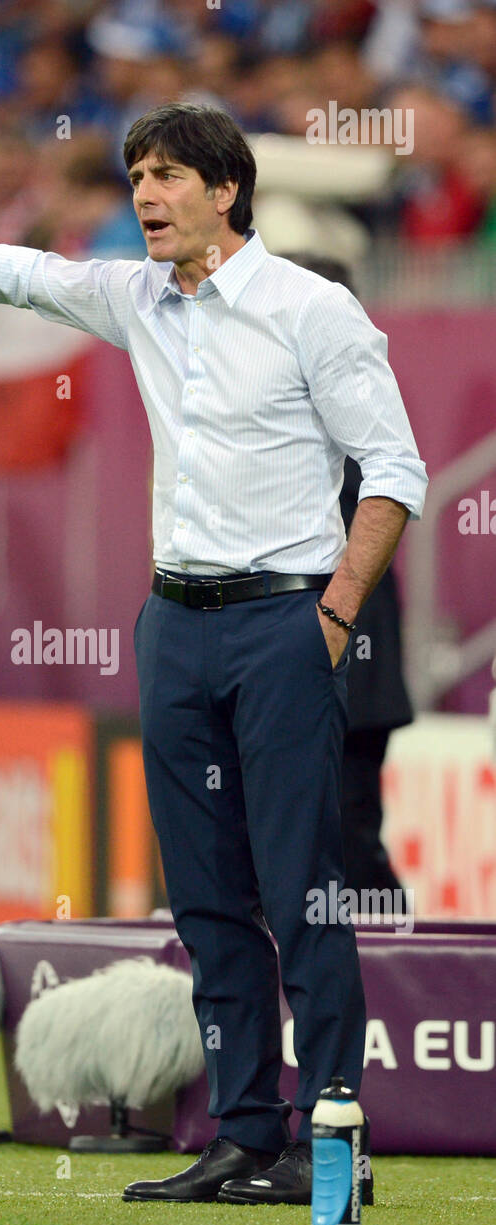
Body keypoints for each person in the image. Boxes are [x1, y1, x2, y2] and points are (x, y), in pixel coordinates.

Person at [0, 101, 428, 1206]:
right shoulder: (136, 296)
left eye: (168, 173)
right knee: (207, 899)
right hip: (174, 626)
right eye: (136, 172)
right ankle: (240, 1133)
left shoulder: (311, 309)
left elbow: (395, 472)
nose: (144, 193)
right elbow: (7, 269)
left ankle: (329, 1152)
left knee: (304, 893)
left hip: (284, 622)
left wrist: (332, 616)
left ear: (227, 190)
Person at [281, 253, 414, 906]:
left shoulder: (353, 404)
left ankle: (405, 983)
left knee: (352, 851)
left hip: (350, 678)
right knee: (309, 853)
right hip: (314, 673)